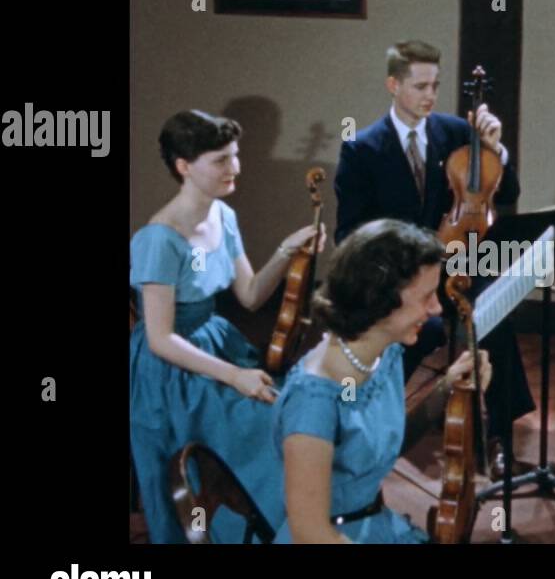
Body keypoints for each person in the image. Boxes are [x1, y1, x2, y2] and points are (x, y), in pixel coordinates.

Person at [334, 40, 533, 478]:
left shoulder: (456, 132)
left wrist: (495, 150)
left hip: (456, 267)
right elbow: (347, 234)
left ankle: (498, 436)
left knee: (492, 316)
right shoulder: (361, 149)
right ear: (393, 84)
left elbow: (508, 193)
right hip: (401, 278)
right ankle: (374, 427)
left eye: (436, 86)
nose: (430, 95)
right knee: (409, 331)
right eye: (420, 85)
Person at [130, 109, 326, 542]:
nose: (234, 167)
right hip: (171, 372)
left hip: (215, 344)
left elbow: (252, 294)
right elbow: (161, 339)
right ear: (184, 167)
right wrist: (234, 376)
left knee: (287, 418)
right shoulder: (158, 239)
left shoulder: (223, 215)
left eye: (234, 155)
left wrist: (286, 251)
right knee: (258, 430)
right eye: (220, 160)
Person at [272, 219, 491, 543]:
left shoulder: (384, 354)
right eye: (427, 296)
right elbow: (311, 534)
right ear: (381, 299)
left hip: (374, 523)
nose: (436, 309)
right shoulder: (314, 404)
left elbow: (376, 446)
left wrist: (446, 389)